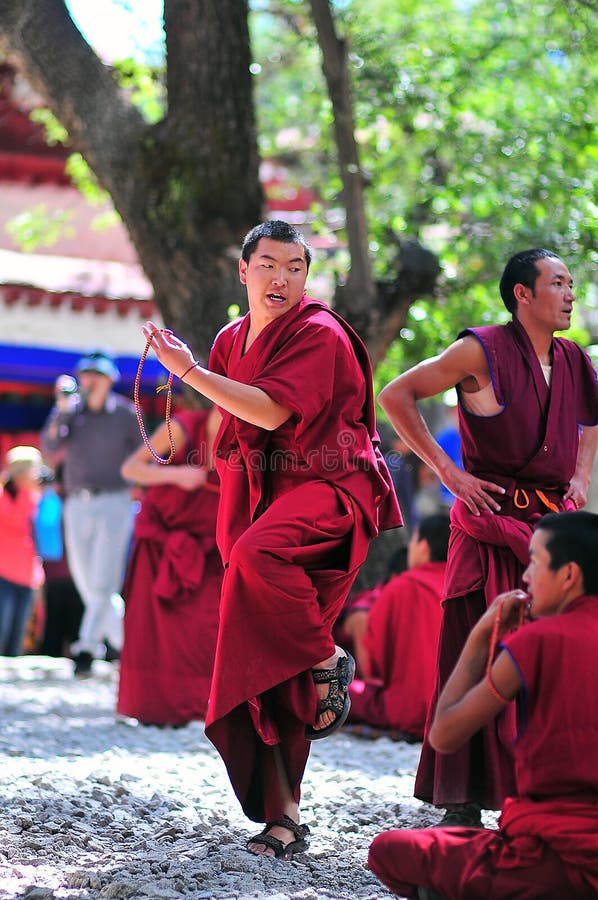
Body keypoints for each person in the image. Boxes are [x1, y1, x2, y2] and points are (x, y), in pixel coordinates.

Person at [142, 220, 402, 859]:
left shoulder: (319, 333)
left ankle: (324, 656)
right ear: (244, 271)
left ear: (306, 277)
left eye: (294, 267)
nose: (281, 278)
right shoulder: (233, 338)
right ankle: (284, 819)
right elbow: (234, 446)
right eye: (268, 265)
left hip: (331, 490)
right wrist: (231, 531)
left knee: (274, 591)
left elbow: (267, 411)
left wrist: (188, 371)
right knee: (262, 664)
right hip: (262, 504)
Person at [378, 248, 598, 825]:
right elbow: (395, 395)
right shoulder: (481, 349)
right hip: (485, 522)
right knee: (472, 648)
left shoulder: (575, 359)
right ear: (523, 294)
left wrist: (580, 475)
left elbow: (591, 420)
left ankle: (541, 790)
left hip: (546, 531)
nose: (571, 293)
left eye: (572, 283)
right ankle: (462, 800)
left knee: (551, 650)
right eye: (559, 283)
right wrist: (449, 474)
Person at [369, 511, 598, 899]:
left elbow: (444, 734)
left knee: (390, 849)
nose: (525, 577)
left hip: (553, 859)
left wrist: (480, 636)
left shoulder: (536, 641)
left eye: (535, 563)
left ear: (568, 575)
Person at [116, 405, 223, 726]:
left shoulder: (251, 438)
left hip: (208, 548)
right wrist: (177, 475)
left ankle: (198, 709)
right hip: (161, 543)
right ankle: (151, 709)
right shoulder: (183, 428)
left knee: (205, 629)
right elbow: (130, 469)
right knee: (153, 629)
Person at [40, 350, 141, 677]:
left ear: (110, 379)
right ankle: (128, 644)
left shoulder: (126, 414)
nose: (89, 380)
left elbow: (145, 453)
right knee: (87, 581)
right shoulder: (71, 412)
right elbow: (50, 447)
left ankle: (86, 647)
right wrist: (60, 409)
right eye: (85, 374)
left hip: (114, 499)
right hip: (77, 502)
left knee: (104, 576)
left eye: (96, 374)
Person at [347, 512, 450, 741]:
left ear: (423, 547)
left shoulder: (399, 587)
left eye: (412, 540)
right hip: (457, 713)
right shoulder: (464, 588)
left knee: (330, 692)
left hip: (407, 710)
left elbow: (374, 664)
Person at [0, 446, 45, 655]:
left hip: (26, 574)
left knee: (18, 636)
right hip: (4, 573)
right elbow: (14, 521)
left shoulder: (35, 497)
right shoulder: (4, 497)